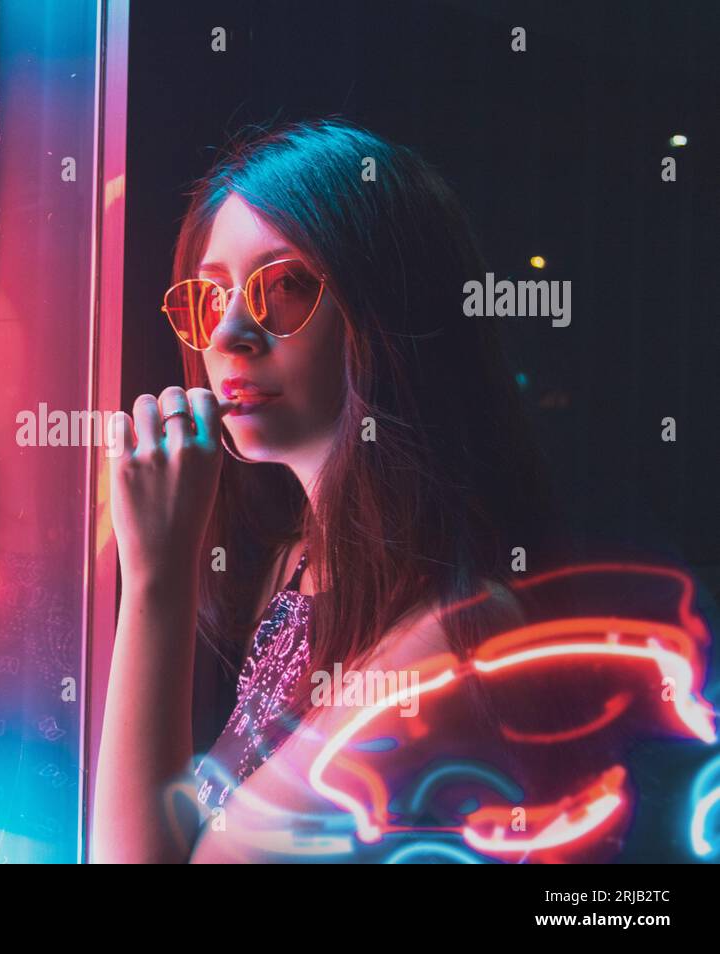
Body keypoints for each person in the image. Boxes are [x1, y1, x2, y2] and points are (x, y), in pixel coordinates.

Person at [92, 118, 558, 863]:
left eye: (286, 287)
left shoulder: (448, 640)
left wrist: (155, 582)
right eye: (210, 298)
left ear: (386, 313)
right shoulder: (297, 568)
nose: (229, 334)